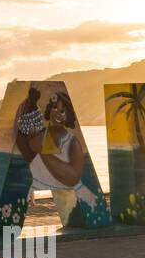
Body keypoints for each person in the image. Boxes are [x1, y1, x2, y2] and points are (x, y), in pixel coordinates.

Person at [14, 87, 99, 225]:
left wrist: (42, 152)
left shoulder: (72, 142)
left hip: (69, 190)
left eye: (63, 111)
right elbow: (29, 154)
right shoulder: (42, 134)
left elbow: (73, 176)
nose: (58, 114)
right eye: (55, 108)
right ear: (49, 109)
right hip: (38, 181)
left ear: (69, 115)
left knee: (72, 210)